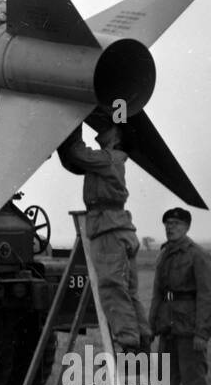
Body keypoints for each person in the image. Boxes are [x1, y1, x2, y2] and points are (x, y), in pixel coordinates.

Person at [57, 124, 150, 351]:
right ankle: (142, 340)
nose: (104, 129)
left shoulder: (108, 158)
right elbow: (76, 161)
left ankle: (129, 345)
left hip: (108, 229)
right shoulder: (112, 160)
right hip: (119, 227)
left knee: (112, 288)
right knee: (128, 291)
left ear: (117, 138)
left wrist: (73, 121)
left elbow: (78, 154)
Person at [149, 207, 211, 385]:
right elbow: (158, 292)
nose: (171, 227)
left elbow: (210, 295)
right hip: (168, 328)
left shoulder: (197, 255)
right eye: (167, 223)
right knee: (167, 384)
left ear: (187, 227)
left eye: (177, 223)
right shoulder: (165, 255)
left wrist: (202, 332)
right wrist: (153, 325)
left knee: (193, 384)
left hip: (190, 330)